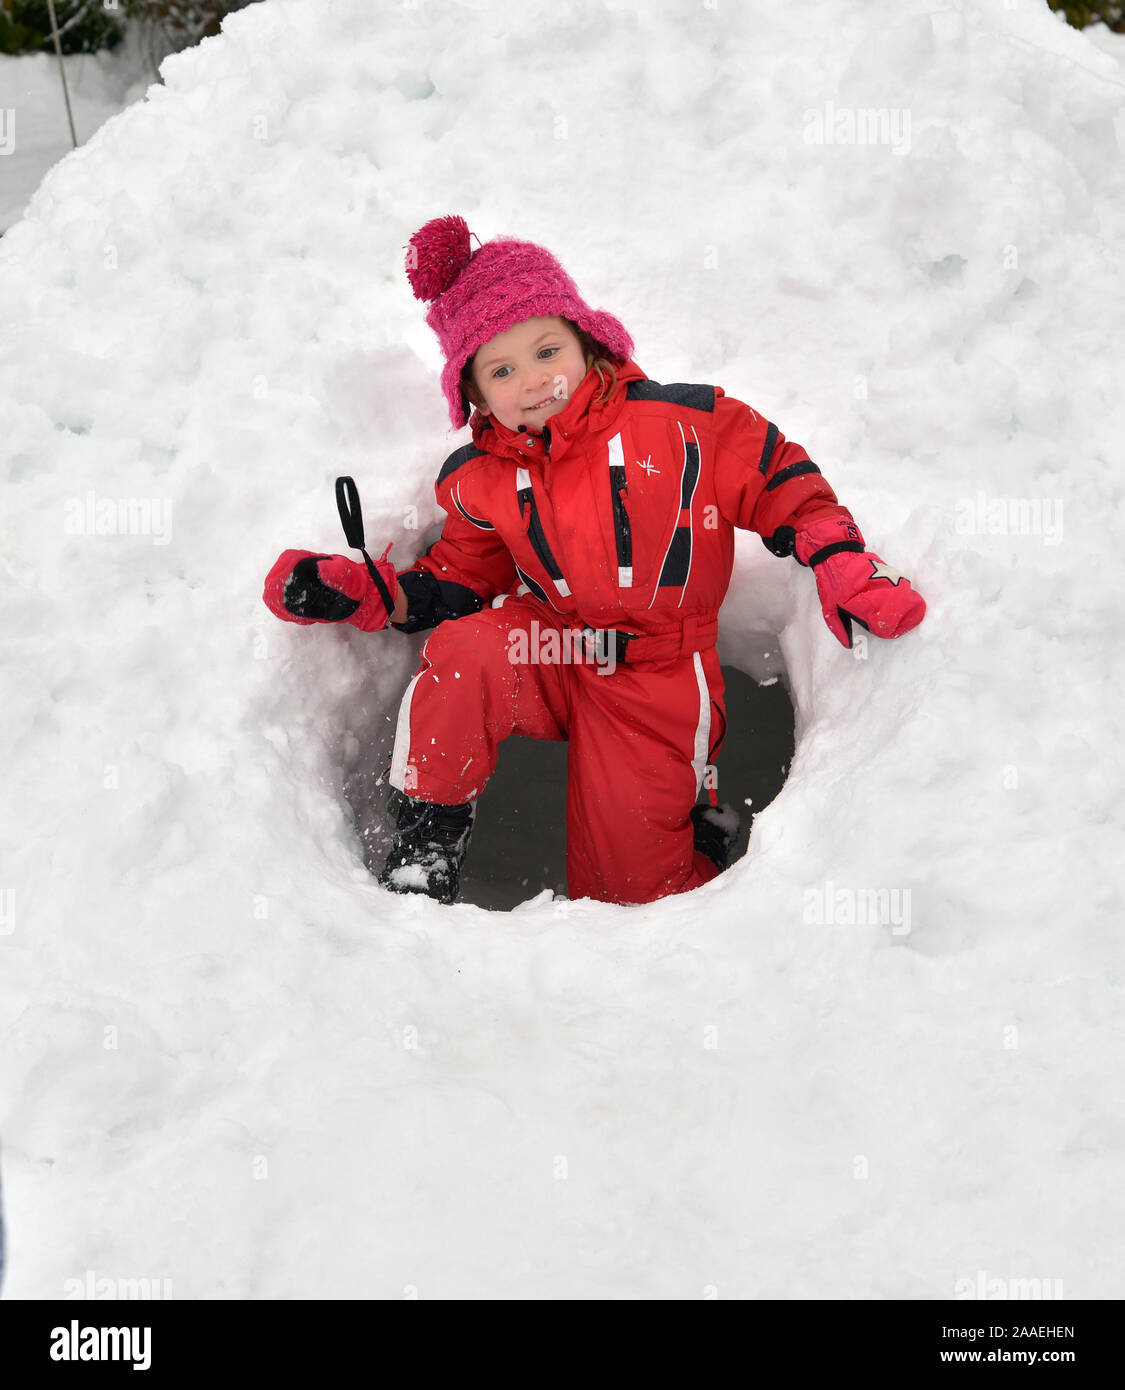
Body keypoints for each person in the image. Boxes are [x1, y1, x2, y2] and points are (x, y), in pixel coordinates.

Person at [263, 214, 926, 907]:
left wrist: (837, 556)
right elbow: (461, 576)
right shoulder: (480, 477)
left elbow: (780, 480)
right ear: (475, 394)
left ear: (585, 340)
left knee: (628, 894)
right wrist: (372, 595)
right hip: (548, 643)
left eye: (546, 351)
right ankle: (428, 840)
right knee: (468, 651)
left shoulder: (682, 426)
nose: (533, 380)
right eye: (502, 370)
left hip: (658, 675)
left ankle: (700, 837)